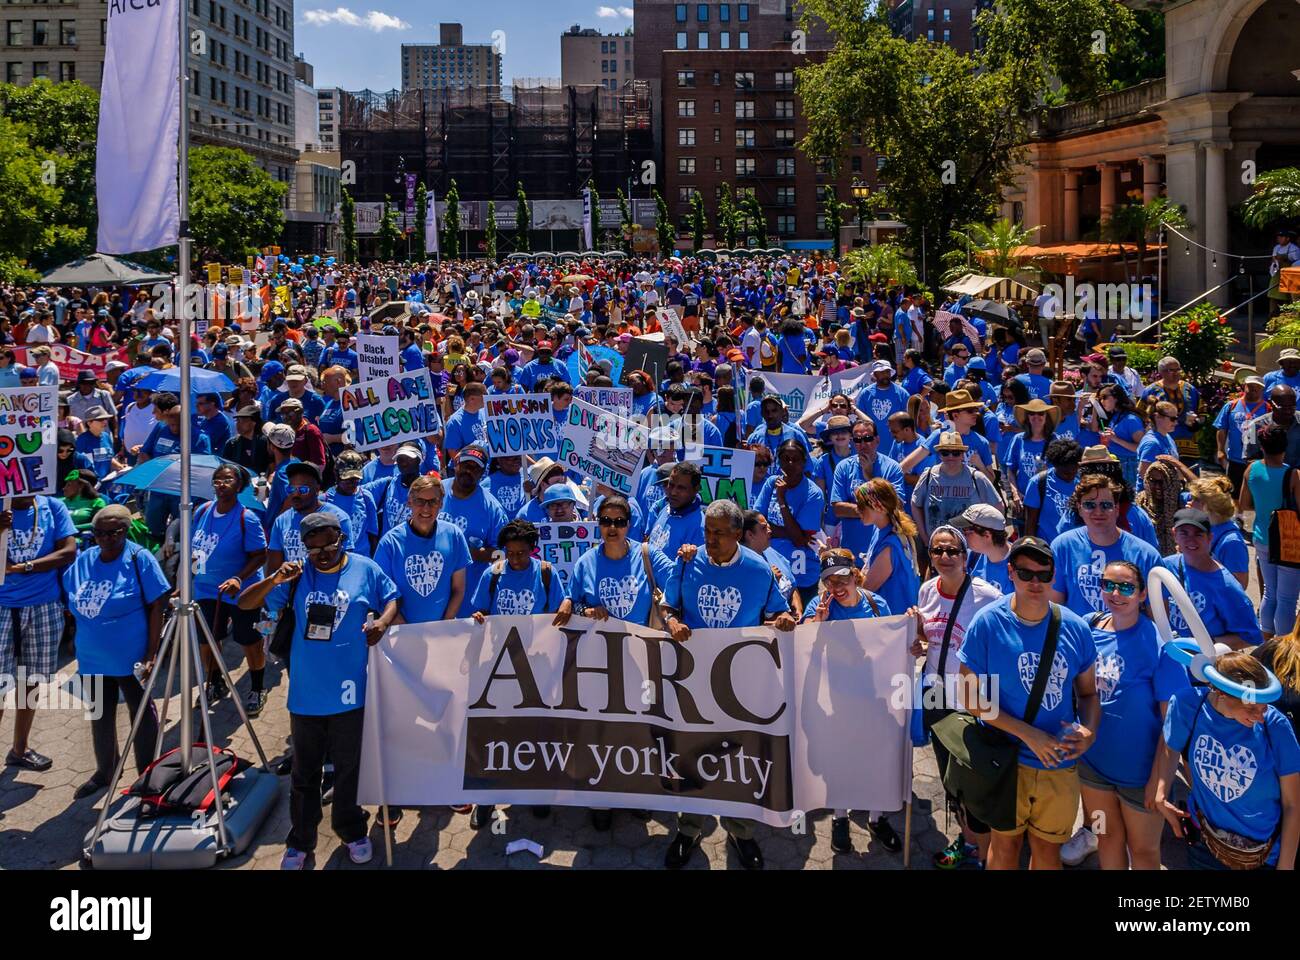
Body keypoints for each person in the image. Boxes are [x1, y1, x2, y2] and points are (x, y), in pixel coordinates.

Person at [238, 511, 400, 870]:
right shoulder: (296, 576)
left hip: (351, 690)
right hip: (307, 693)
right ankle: (300, 841)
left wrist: (383, 623)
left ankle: (352, 829)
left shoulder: (365, 568)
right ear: (305, 548)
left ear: (341, 538)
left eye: (330, 544)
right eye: (315, 549)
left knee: (348, 768)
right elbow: (246, 604)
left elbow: (392, 597)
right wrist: (275, 579)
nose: (323, 554)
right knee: (305, 772)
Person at [659, 499, 796, 869]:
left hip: (743, 687)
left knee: (740, 761)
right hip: (693, 684)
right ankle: (689, 831)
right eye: (707, 530)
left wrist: (783, 619)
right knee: (690, 758)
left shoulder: (759, 570)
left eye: (719, 532)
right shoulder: (687, 562)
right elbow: (668, 606)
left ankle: (740, 831)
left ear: (738, 534)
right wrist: (671, 623)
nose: (710, 538)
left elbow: (776, 611)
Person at [958, 536, 1101, 870]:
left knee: (1048, 853)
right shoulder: (988, 623)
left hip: (1058, 765)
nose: (1035, 582)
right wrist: (1028, 734)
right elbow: (967, 695)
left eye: (1043, 574)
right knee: (1005, 848)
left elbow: (1089, 694)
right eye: (1025, 573)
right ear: (1010, 572)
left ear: (1054, 575)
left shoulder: (1076, 628)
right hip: (1005, 761)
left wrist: (1090, 731)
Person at [1075, 560, 1188, 870]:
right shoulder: (1087, 627)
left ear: (1141, 595)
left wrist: (1160, 781)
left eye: (1126, 587)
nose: (1116, 592)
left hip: (1140, 777)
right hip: (1092, 768)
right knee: (1105, 836)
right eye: (1108, 584)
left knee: (1144, 852)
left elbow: (1173, 723)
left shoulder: (1161, 645)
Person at [62, 505, 171, 799]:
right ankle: (105, 771)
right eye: (99, 532)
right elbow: (71, 595)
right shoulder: (85, 559)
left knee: (141, 714)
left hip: (130, 655)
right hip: (92, 656)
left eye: (113, 532)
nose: (105, 538)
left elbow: (158, 605)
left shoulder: (138, 558)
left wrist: (151, 654)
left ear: (125, 531)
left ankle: (147, 775)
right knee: (100, 714)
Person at [1154, 652, 1300, 871]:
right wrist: (1161, 790)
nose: (1259, 716)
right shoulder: (1188, 705)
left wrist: (1286, 865)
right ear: (1221, 692)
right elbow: (1171, 746)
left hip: (1262, 856)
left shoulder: (1275, 727)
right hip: (1204, 844)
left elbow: (1292, 805)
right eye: (1250, 707)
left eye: (1263, 706)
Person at [914, 525, 1003, 869]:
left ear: (966, 557)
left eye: (953, 551)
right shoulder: (926, 591)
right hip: (937, 697)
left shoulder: (987, 596)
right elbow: (929, 637)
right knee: (950, 779)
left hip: (973, 703)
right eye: (937, 550)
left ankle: (987, 850)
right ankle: (968, 842)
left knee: (975, 780)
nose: (945, 557)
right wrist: (914, 638)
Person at [801, 547, 899, 855]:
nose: (837, 587)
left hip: (874, 697)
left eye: (842, 578)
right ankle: (840, 818)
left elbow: (893, 641)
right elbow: (802, 642)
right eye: (829, 581)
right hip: (837, 698)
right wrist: (816, 622)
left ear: (855, 576)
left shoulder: (875, 603)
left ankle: (876, 817)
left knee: (875, 760)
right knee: (840, 761)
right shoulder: (821, 604)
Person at [0, 492, 78, 772]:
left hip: (44, 605)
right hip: (2, 607)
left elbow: (68, 551)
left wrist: (22, 568)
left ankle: (19, 749)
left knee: (30, 680)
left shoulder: (52, 506)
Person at [193, 464, 270, 715]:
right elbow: (195, 550)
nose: (221, 483)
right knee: (207, 640)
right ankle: (216, 681)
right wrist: (185, 581)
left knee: (248, 641)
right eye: (217, 479)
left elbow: (260, 555)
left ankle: (258, 687)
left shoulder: (245, 518)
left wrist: (238, 577)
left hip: (242, 592)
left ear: (239, 486)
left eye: (228, 479)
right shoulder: (202, 511)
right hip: (206, 590)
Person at [1050, 474, 1162, 618]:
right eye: (1090, 505)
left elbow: (1157, 618)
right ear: (1079, 508)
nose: (1098, 512)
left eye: (1106, 505)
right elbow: (1056, 609)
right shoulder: (1062, 547)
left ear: (1116, 509)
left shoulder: (1147, 555)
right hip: (1078, 638)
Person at [374, 476, 470, 624]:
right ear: (409, 502)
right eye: (420, 501)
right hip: (402, 634)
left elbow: (458, 588)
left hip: (442, 631)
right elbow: (381, 594)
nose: (426, 508)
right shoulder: (390, 543)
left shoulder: (454, 535)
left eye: (433, 501)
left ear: (441, 504)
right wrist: (411, 633)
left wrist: (445, 624)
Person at [1239, 423, 1300, 640]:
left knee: (1269, 593)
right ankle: (1283, 649)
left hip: (1262, 537)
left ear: (1262, 447)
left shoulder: (1251, 469)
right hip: (1287, 542)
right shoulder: (1293, 475)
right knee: (1287, 598)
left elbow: (1244, 504)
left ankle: (1266, 642)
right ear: (1285, 446)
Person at [753, 440, 825, 606]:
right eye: (785, 458)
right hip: (772, 570)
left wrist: (781, 499)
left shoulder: (813, 494)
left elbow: (799, 540)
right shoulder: (771, 483)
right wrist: (791, 533)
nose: (790, 463)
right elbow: (756, 523)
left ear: (804, 461)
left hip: (801, 575)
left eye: (796, 459)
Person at [440, 445, 509, 617]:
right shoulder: (436, 492)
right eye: (466, 465)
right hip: (433, 594)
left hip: (470, 600)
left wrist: (470, 553)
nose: (469, 471)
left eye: (475, 468)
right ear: (456, 463)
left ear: (482, 473)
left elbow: (501, 555)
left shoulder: (493, 508)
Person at [831, 419, 906, 565]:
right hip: (852, 550)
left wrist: (870, 476)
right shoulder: (843, 467)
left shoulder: (892, 468)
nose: (863, 444)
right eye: (858, 440)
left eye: (867, 438)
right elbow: (838, 509)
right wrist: (874, 510)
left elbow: (897, 506)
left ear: (877, 440)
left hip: (884, 548)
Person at [910, 431, 1002, 545]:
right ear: (939, 454)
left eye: (956, 453)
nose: (950, 457)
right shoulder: (928, 476)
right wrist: (924, 537)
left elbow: (997, 507)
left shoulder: (976, 477)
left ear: (963, 454)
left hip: (970, 549)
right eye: (945, 453)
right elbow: (915, 504)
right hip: (937, 546)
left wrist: (987, 541)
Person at [856, 478, 920, 619]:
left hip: (894, 622)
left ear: (879, 507)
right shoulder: (882, 530)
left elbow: (865, 590)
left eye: (861, 506)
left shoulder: (890, 546)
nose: (857, 509)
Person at [1186, 475, 1249, 591]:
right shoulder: (1205, 528)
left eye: (1195, 499)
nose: (1190, 502)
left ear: (1208, 507)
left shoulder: (1232, 542)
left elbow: (1240, 585)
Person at [1215, 375, 1268, 497]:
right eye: (1251, 386)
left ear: (1262, 390)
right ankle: (1237, 516)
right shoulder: (1231, 406)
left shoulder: (1267, 408)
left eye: (1258, 387)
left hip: (1257, 460)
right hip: (1235, 459)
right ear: (1244, 386)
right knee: (1233, 493)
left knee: (1256, 495)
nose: (1254, 389)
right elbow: (1222, 428)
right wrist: (1220, 450)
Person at [1023, 438, 1082, 542]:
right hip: (1047, 547)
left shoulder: (1082, 482)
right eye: (1066, 473)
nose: (1071, 476)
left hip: (1074, 546)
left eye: (1074, 471)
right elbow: (1031, 522)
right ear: (1055, 466)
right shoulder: (1038, 482)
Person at [645, 461, 707, 558]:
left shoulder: (699, 529)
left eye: (681, 488)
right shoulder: (665, 508)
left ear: (696, 489)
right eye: (671, 485)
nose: (673, 492)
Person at [1136, 401, 1180, 490]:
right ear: (1157, 417)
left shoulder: (1167, 437)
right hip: (1151, 496)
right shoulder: (1152, 443)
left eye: (1176, 418)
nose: (1176, 423)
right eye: (1172, 419)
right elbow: (1143, 472)